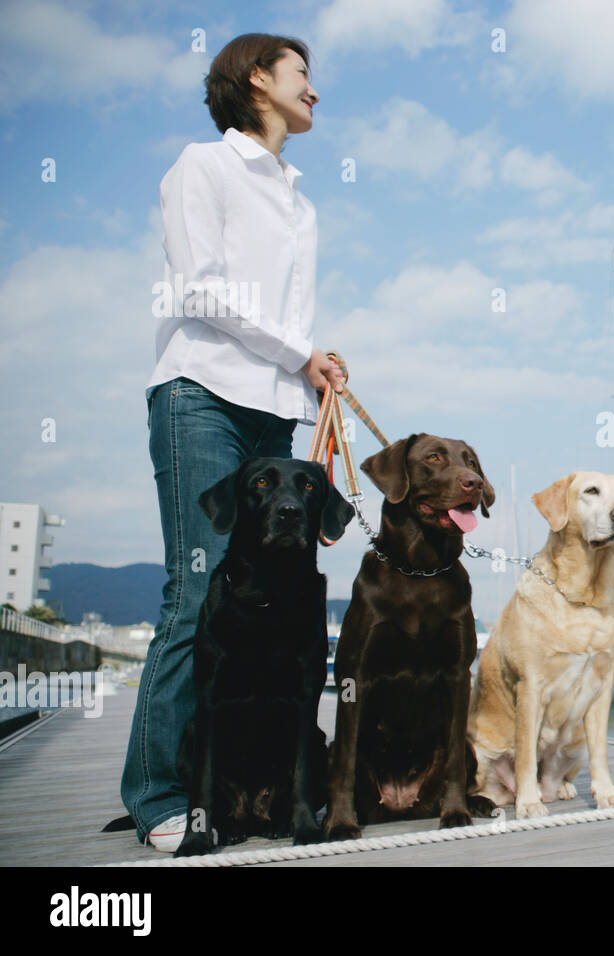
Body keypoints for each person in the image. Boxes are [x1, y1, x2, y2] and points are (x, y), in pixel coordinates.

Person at [119, 33, 343, 852]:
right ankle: (155, 798)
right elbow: (201, 289)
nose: (315, 91)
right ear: (258, 78)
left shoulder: (300, 198)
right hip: (201, 396)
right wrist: (301, 352)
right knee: (197, 587)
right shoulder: (201, 167)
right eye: (302, 75)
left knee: (283, 594)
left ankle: (270, 789)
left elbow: (284, 319)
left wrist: (308, 370)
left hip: (275, 407)